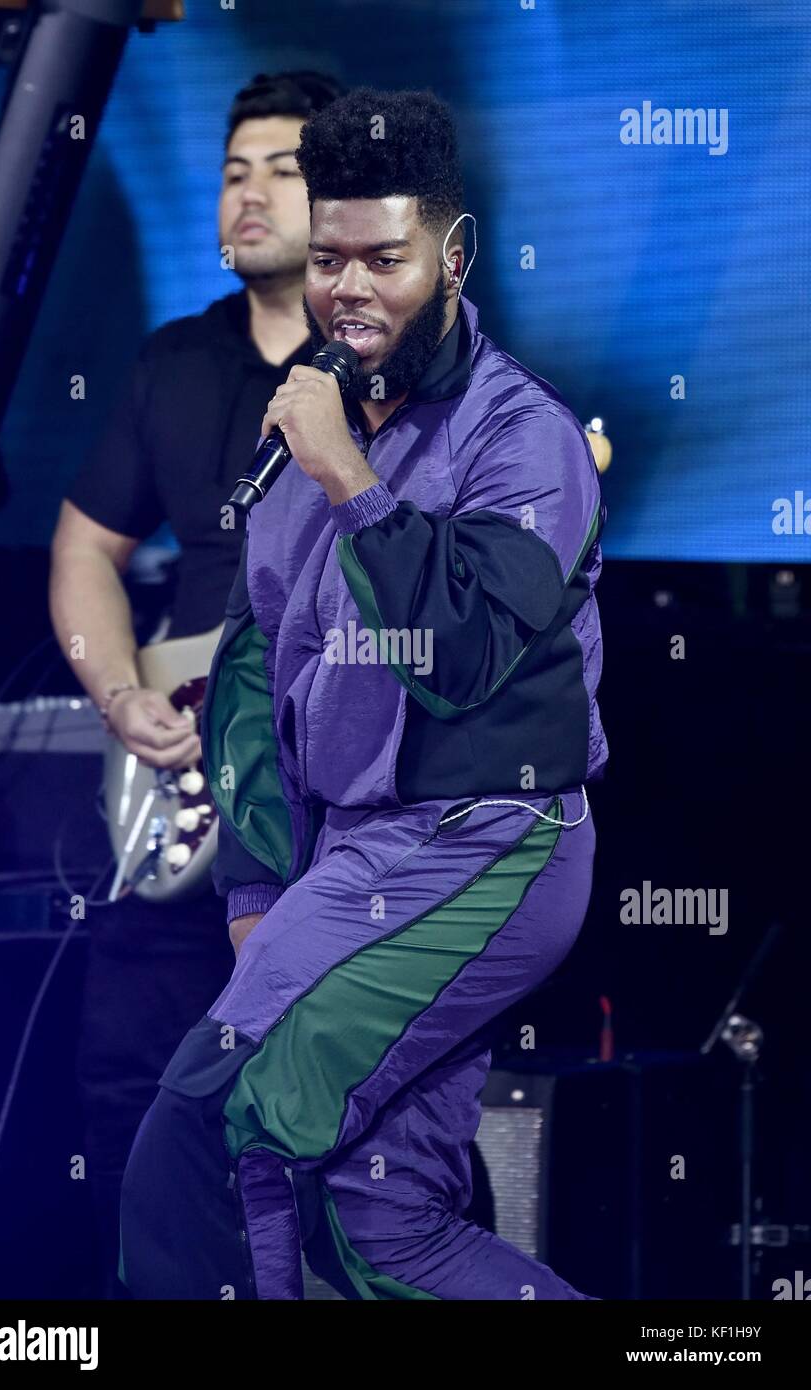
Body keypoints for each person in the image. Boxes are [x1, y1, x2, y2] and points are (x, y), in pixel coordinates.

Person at [119, 86, 608, 1301]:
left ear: (453, 254)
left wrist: (353, 480)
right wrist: (251, 879)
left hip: (488, 840)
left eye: (385, 259)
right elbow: (252, 676)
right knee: (373, 1215)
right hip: (343, 857)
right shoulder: (308, 433)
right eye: (329, 258)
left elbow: (464, 653)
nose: (350, 290)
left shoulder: (519, 435)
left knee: (212, 1127)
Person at [47, 69, 345, 1298]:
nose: (250, 190)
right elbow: (84, 552)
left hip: (326, 798)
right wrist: (122, 699)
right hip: (178, 794)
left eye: (282, 165)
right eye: (235, 169)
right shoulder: (171, 363)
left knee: (327, 1095)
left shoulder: (394, 364)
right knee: (131, 1075)